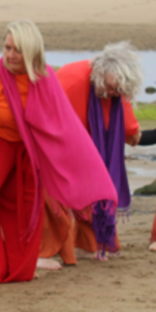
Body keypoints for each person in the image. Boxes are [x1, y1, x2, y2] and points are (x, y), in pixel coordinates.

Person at [0, 20, 118, 288]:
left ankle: (18, 266)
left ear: (33, 53)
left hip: (21, 151)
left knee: (23, 210)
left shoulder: (44, 77)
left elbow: (61, 123)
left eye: (18, 50)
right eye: (7, 47)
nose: (11, 55)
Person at [38, 42, 143, 268]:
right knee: (53, 197)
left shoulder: (115, 88)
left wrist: (133, 133)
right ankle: (42, 253)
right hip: (54, 144)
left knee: (97, 190)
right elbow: (44, 114)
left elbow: (130, 128)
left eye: (119, 91)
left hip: (88, 145)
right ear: (100, 72)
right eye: (110, 87)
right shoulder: (72, 80)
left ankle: (89, 245)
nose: (113, 94)